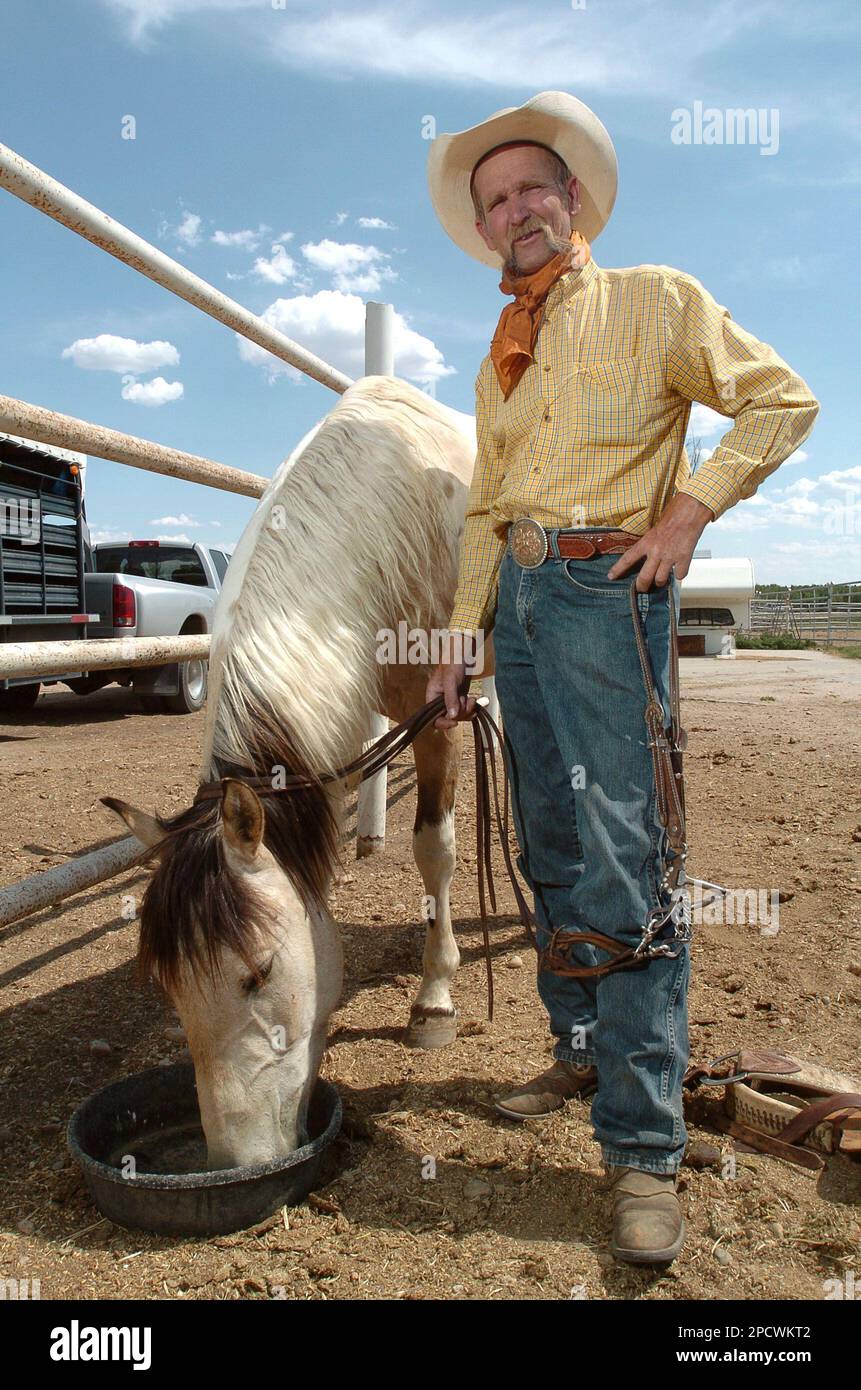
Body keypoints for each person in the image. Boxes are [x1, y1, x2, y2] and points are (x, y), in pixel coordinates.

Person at [424, 91, 819, 1264]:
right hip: (526, 605)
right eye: (495, 202)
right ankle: (582, 1046)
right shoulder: (501, 362)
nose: (513, 213)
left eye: (529, 190)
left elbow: (779, 399)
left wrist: (692, 510)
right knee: (546, 832)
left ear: (574, 197)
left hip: (607, 593)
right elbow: (489, 508)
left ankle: (642, 1149)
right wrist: (461, 637)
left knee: (625, 852)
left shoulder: (657, 301)